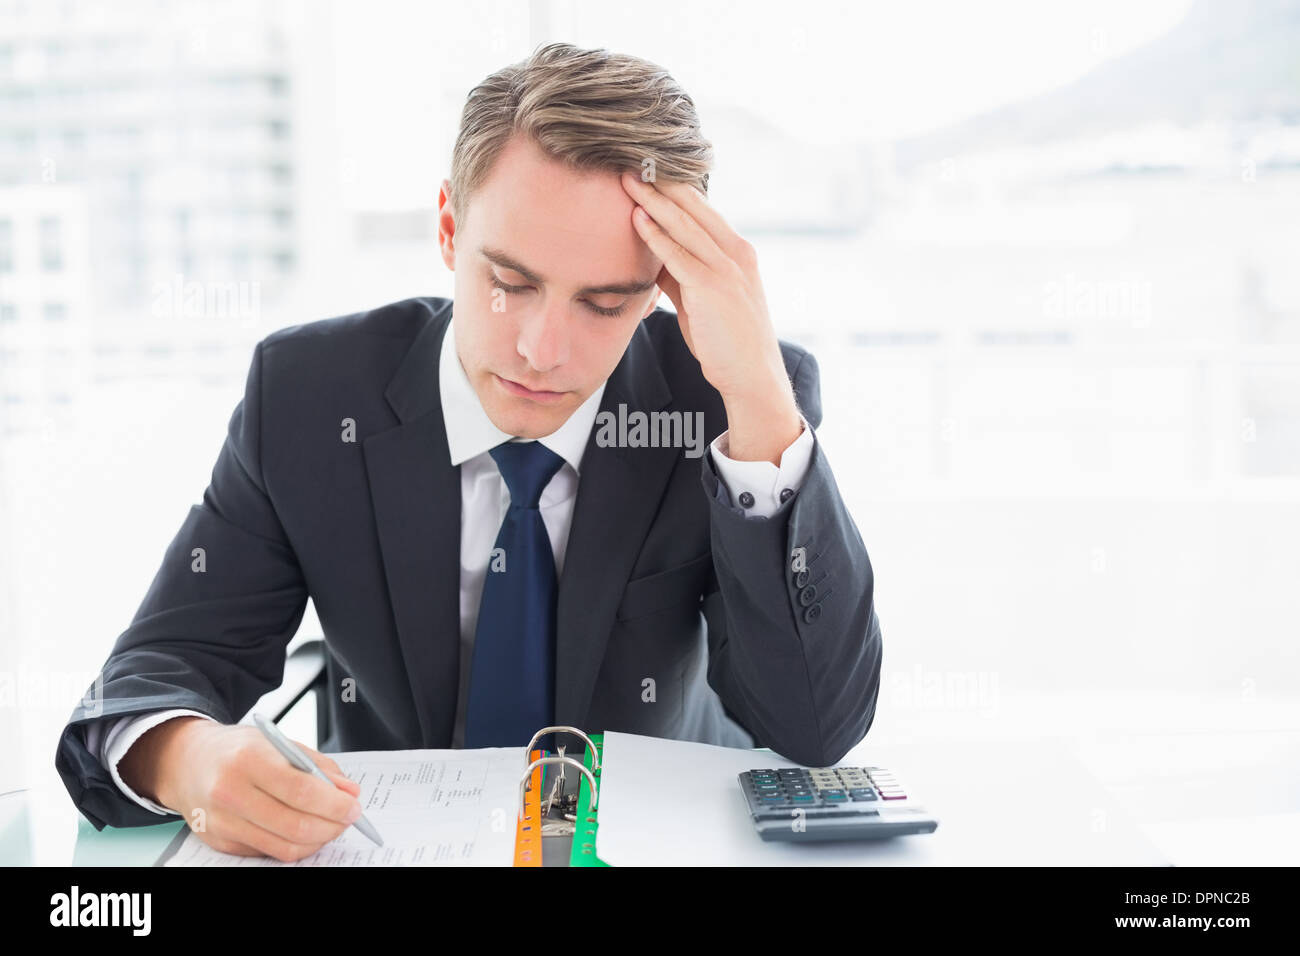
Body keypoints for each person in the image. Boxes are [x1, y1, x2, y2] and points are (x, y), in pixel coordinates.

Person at [55, 42, 882, 862]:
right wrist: (188, 759)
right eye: (510, 283)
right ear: (449, 228)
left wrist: (763, 408)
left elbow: (814, 727)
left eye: (604, 303)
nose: (542, 349)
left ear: (662, 289)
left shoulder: (721, 405)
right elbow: (166, 659)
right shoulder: (307, 396)